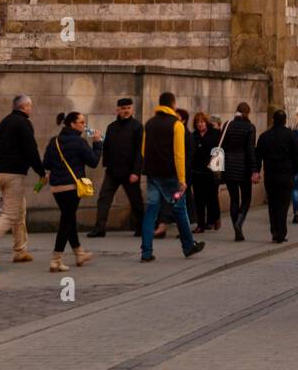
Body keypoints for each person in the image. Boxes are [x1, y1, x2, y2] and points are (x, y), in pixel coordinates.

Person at [0, 94, 45, 270]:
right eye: (31, 106)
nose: (31, 109)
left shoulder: (3, 123)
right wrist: (41, 171)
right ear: (25, 106)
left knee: (20, 211)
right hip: (14, 174)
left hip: (1, 173)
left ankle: (20, 251)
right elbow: (31, 149)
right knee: (10, 214)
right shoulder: (24, 123)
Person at [139, 92, 205, 263]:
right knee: (179, 207)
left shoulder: (149, 124)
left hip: (153, 176)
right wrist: (182, 179)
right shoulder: (176, 125)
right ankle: (188, 245)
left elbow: (143, 151)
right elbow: (179, 154)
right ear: (173, 105)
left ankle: (146, 252)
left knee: (151, 210)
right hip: (171, 178)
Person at [42, 112, 103, 272]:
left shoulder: (53, 141)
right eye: (81, 122)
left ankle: (79, 253)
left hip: (56, 188)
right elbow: (94, 162)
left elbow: (46, 163)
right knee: (66, 221)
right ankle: (56, 259)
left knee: (69, 219)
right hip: (72, 188)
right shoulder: (80, 142)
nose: (84, 125)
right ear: (72, 124)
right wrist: (97, 144)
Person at [87, 98, 144, 238]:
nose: (126, 110)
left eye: (128, 108)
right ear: (117, 110)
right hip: (112, 171)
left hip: (130, 171)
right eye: (123, 108)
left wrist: (136, 172)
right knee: (103, 199)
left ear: (132, 109)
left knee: (136, 201)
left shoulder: (137, 126)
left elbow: (139, 151)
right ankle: (99, 228)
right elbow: (107, 146)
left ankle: (141, 228)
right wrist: (106, 162)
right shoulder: (111, 127)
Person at [256, 110, 298, 243]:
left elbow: (258, 154)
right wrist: (295, 170)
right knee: (283, 204)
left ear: (273, 120)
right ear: (285, 120)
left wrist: (257, 171)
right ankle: (281, 232)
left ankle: (275, 231)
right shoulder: (290, 135)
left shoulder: (264, 136)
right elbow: (297, 155)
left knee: (272, 204)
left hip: (270, 174)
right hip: (286, 174)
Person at [221, 102, 259, 242]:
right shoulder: (250, 127)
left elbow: (222, 146)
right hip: (244, 168)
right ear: (248, 112)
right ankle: (239, 222)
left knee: (234, 199)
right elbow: (250, 150)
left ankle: (236, 228)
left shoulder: (227, 125)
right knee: (246, 198)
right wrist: (254, 170)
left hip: (229, 167)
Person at [191, 112, 222, 234]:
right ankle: (200, 224)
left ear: (206, 122)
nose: (200, 124)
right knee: (198, 199)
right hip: (197, 171)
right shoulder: (194, 136)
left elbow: (220, 151)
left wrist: (217, 166)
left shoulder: (215, 134)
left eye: (202, 122)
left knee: (211, 197)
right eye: (198, 122)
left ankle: (215, 217)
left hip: (211, 171)